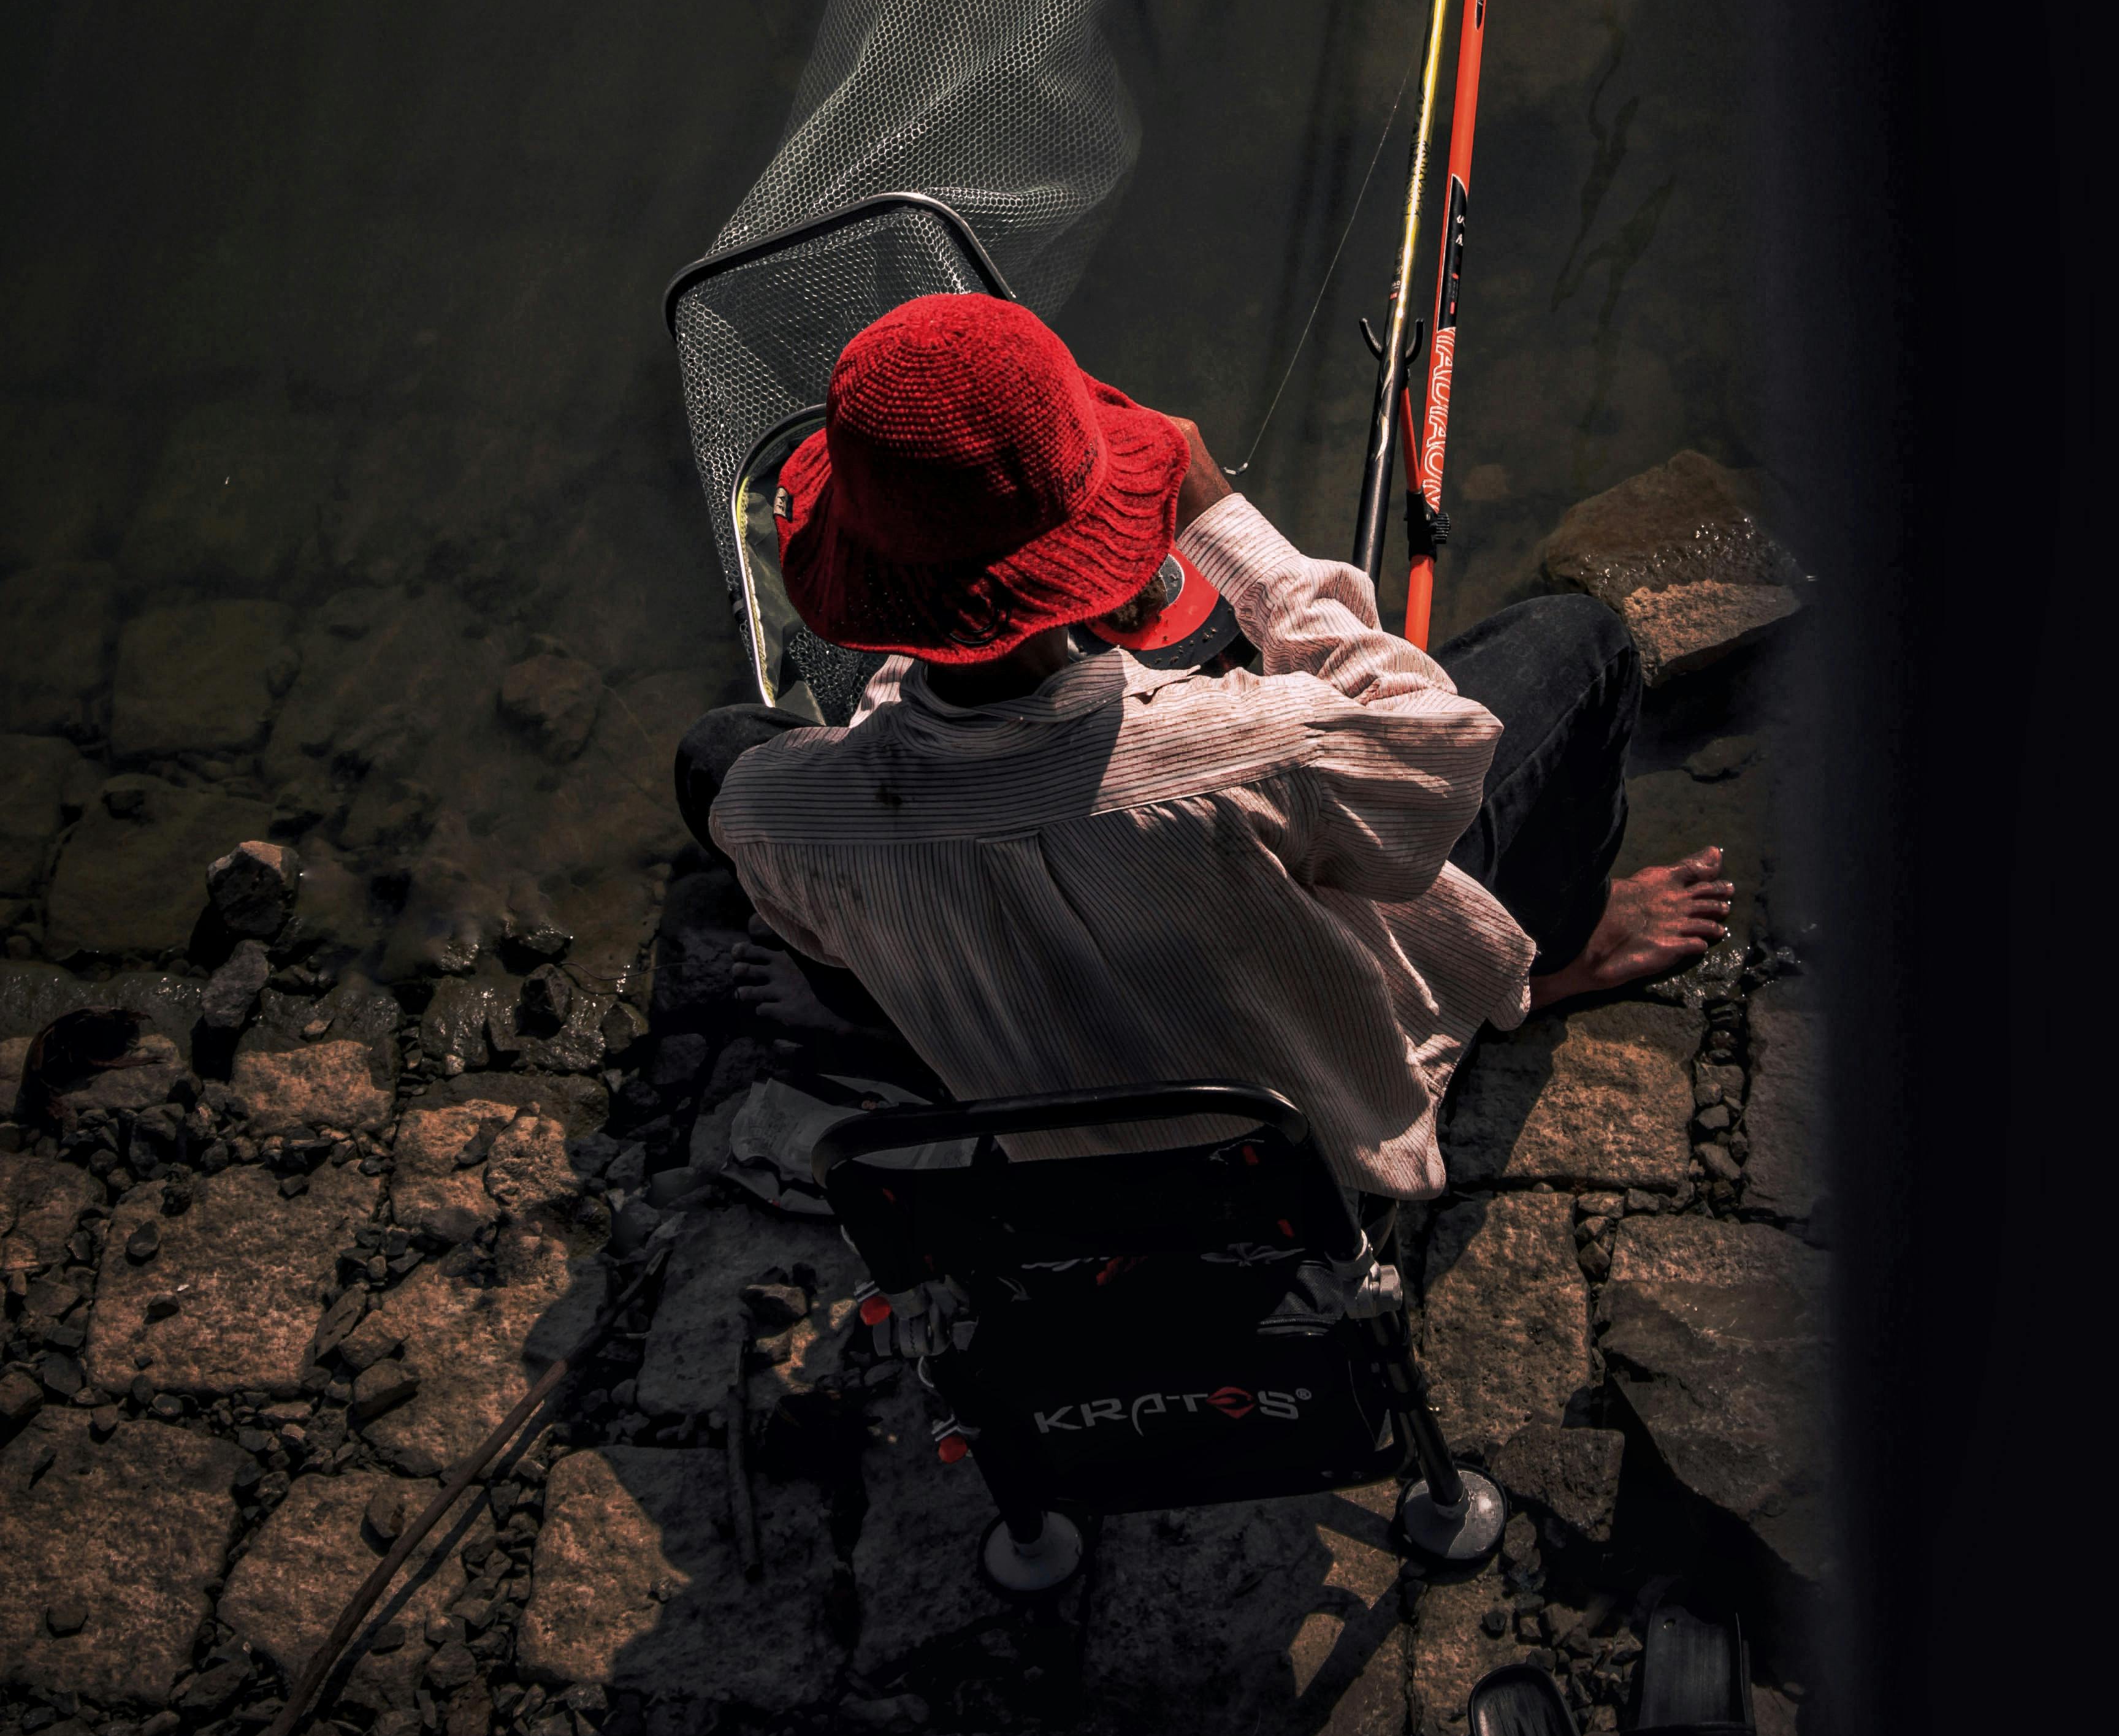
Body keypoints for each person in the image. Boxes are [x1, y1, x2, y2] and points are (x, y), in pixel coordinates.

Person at [684, 292, 1730, 1194]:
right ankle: (1564, 948)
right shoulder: (1259, 749)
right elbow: (1440, 745)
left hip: (1041, 1107)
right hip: (1315, 1140)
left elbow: (845, 808)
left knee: (715, 752)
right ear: (1085, 550)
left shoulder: (775, 816)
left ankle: (905, 1005)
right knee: (1580, 644)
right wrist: (1233, 527)